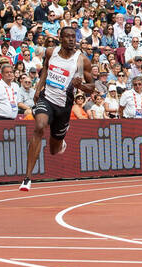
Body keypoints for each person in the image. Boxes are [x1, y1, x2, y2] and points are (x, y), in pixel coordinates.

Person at [23, 26, 95, 192]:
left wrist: (82, 86)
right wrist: (38, 88)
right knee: (39, 126)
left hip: (63, 107)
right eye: (68, 37)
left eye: (73, 37)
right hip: (47, 98)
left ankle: (61, 142)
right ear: (60, 38)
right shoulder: (50, 52)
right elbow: (46, 69)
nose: (71, 40)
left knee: (54, 150)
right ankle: (27, 178)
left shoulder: (82, 60)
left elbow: (92, 87)